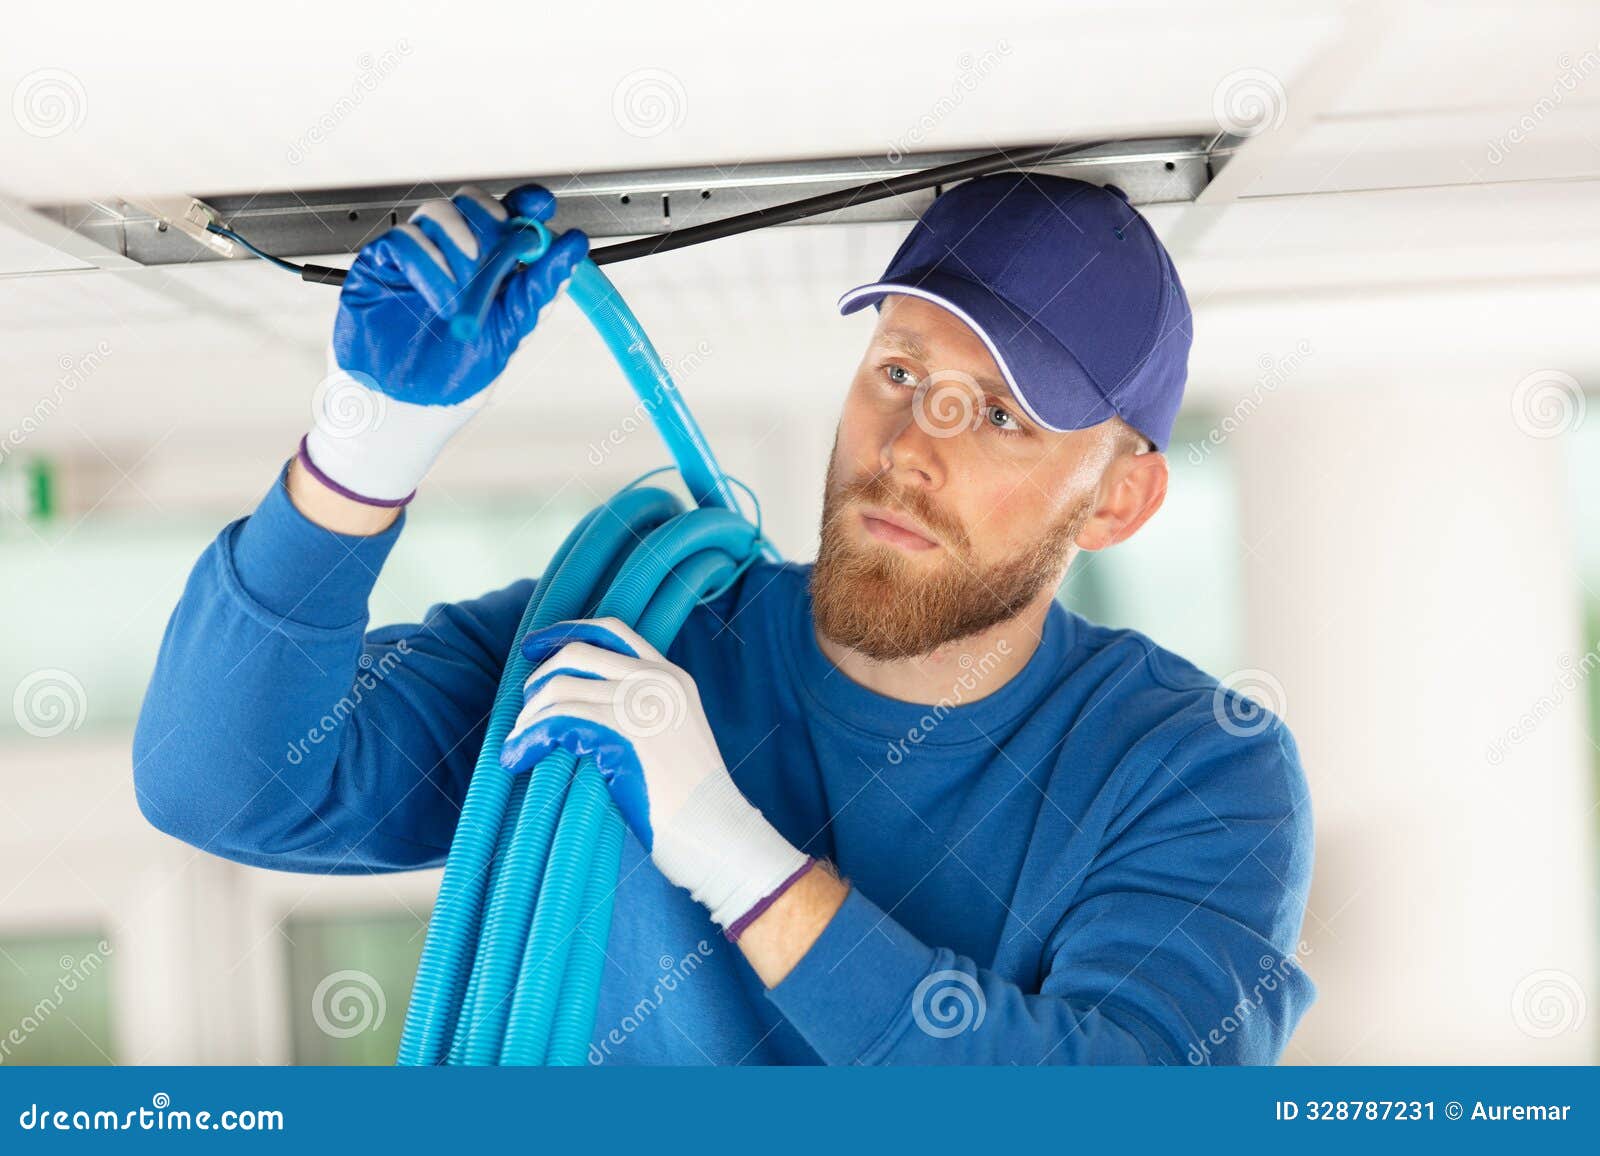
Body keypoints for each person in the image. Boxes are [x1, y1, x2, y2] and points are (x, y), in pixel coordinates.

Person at [133, 174, 1315, 1065]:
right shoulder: (644, 626)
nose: (907, 456)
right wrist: (365, 446)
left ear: (1116, 498)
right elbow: (226, 782)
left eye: (998, 418)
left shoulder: (1191, 767)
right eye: (899, 376)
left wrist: (727, 851)